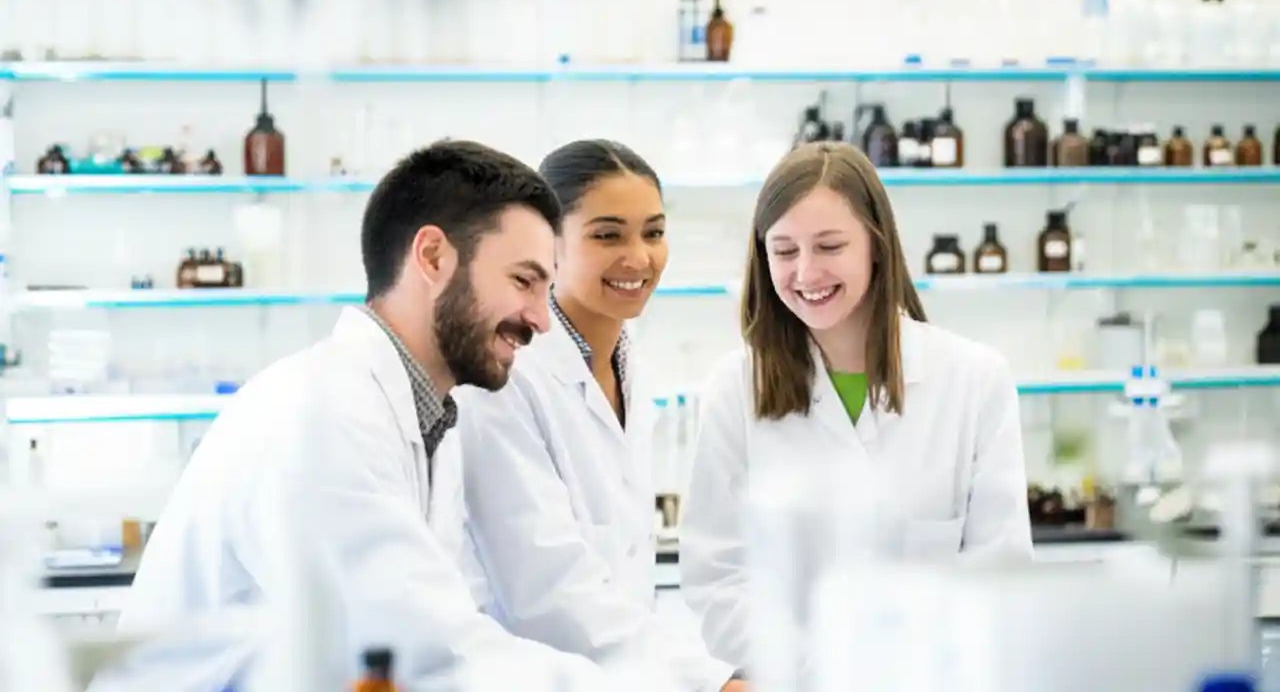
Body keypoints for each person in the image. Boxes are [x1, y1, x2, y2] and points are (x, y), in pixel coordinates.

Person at [118, 140, 613, 690]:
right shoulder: (322, 414)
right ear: (432, 258)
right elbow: (429, 651)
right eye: (523, 281)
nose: (541, 320)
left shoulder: (427, 418)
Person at [679, 141, 1033, 670]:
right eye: (784, 251)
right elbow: (718, 576)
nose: (806, 273)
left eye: (829, 246)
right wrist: (816, 671)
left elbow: (999, 573)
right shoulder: (735, 388)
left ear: (876, 245)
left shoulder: (975, 380)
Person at [451, 139, 744, 692]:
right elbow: (545, 589)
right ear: (548, 244)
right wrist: (710, 682)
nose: (639, 257)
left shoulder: (631, 365)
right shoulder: (505, 375)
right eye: (607, 234)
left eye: (654, 232)